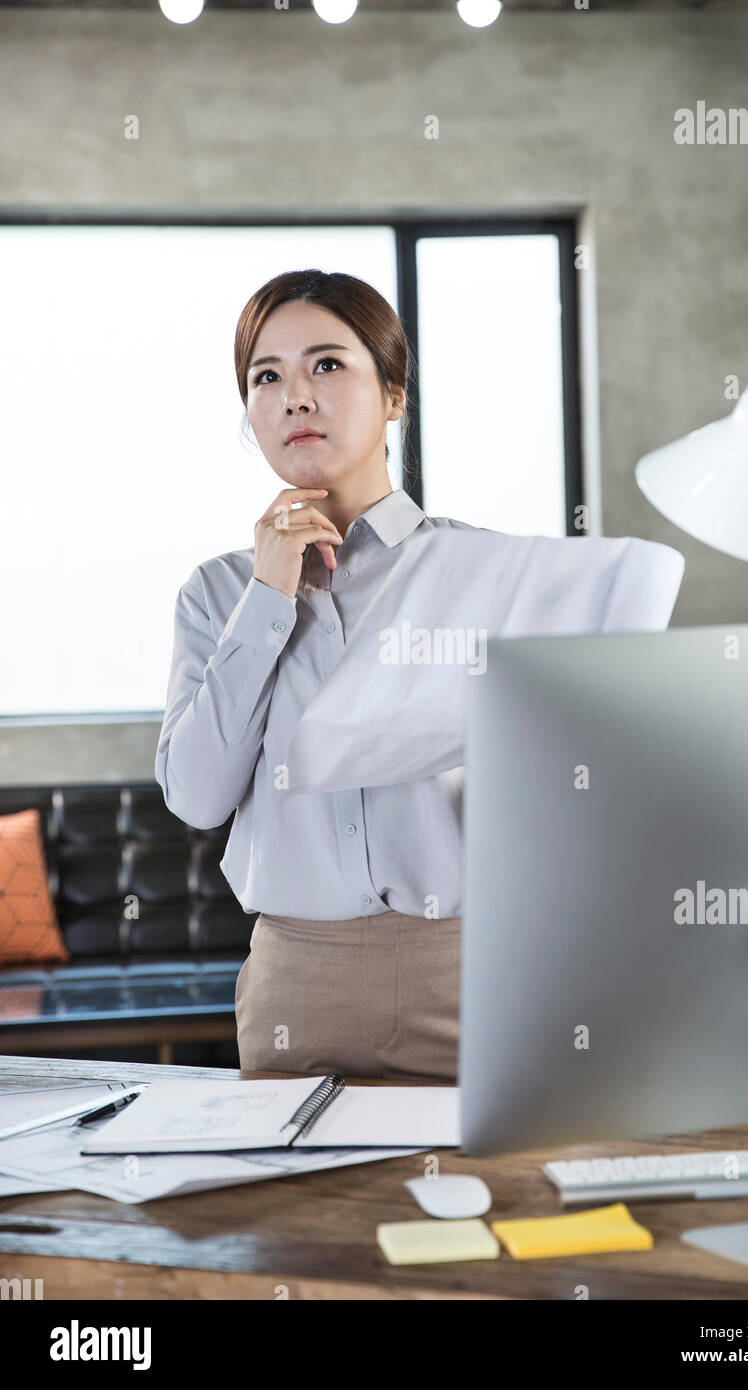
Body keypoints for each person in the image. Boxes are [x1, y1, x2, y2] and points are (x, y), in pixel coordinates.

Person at [155, 268, 482, 1082]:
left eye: (328, 365)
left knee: (484, 1204)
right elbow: (196, 797)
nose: (295, 396)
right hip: (294, 980)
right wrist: (268, 599)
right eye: (267, 376)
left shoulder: (476, 571)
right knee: (291, 1210)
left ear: (395, 394)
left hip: (469, 969)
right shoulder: (217, 593)